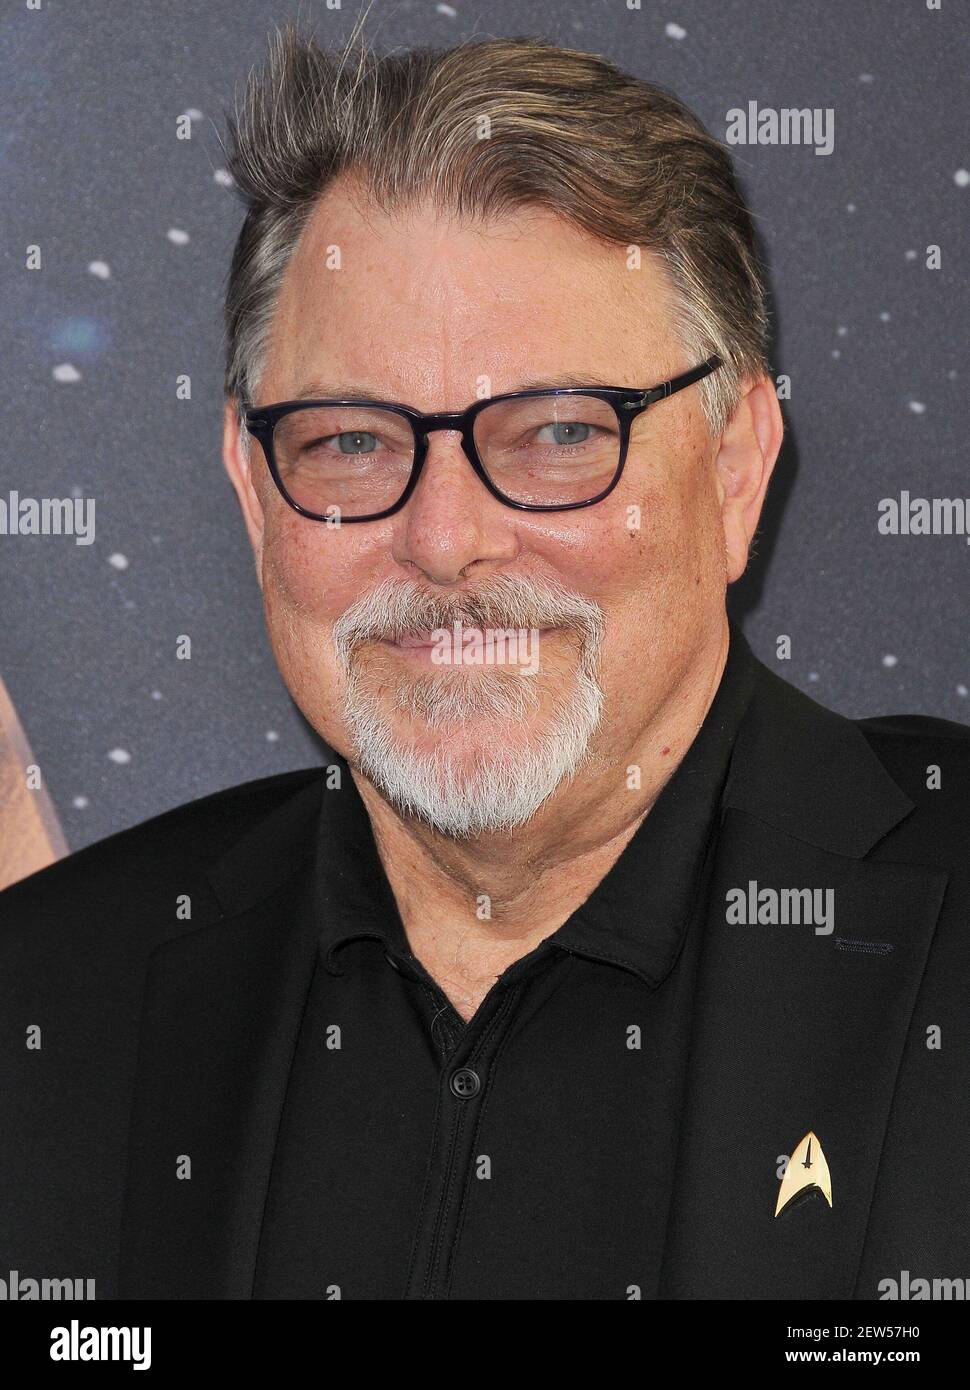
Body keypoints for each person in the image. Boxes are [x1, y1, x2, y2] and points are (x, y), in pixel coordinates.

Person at [1, 25, 968, 1301]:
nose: (446, 537)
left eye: (564, 432)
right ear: (251, 488)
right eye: (349, 442)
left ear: (736, 466)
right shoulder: (46, 995)